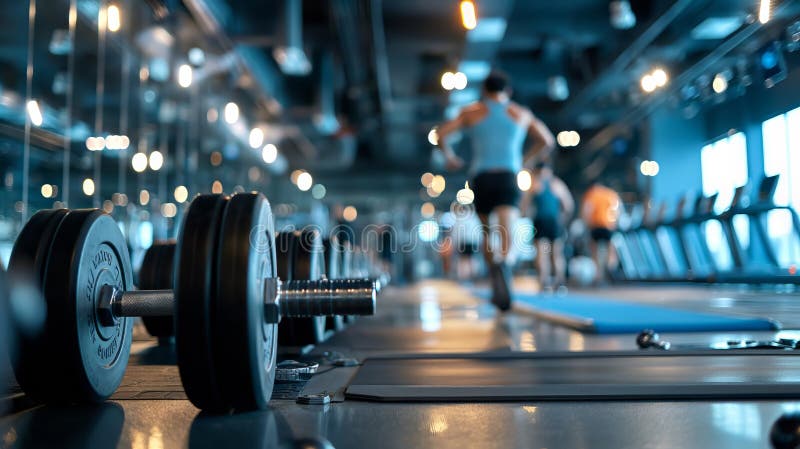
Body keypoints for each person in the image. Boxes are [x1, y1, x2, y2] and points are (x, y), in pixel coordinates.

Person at [435, 70, 556, 310]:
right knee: (507, 232)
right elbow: (547, 140)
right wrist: (524, 161)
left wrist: (449, 157)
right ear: (508, 91)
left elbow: (441, 135)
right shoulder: (520, 113)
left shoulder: (471, 112)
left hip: (482, 178)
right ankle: (505, 261)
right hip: (507, 176)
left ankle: (495, 278)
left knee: (488, 232)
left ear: (484, 90)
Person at [520, 162, 574, 289]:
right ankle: (558, 282)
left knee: (543, 253)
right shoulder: (557, 184)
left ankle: (545, 282)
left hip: (542, 222)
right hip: (553, 222)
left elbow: (524, 206)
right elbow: (568, 206)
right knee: (555, 253)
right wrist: (562, 219)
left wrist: (526, 215)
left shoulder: (535, 185)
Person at [581, 181, 622, 283]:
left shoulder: (592, 193)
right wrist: (614, 223)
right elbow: (617, 209)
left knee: (595, 252)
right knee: (610, 250)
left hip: (595, 225)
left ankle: (598, 275)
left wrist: (587, 224)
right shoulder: (610, 193)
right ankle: (610, 270)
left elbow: (587, 209)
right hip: (608, 225)